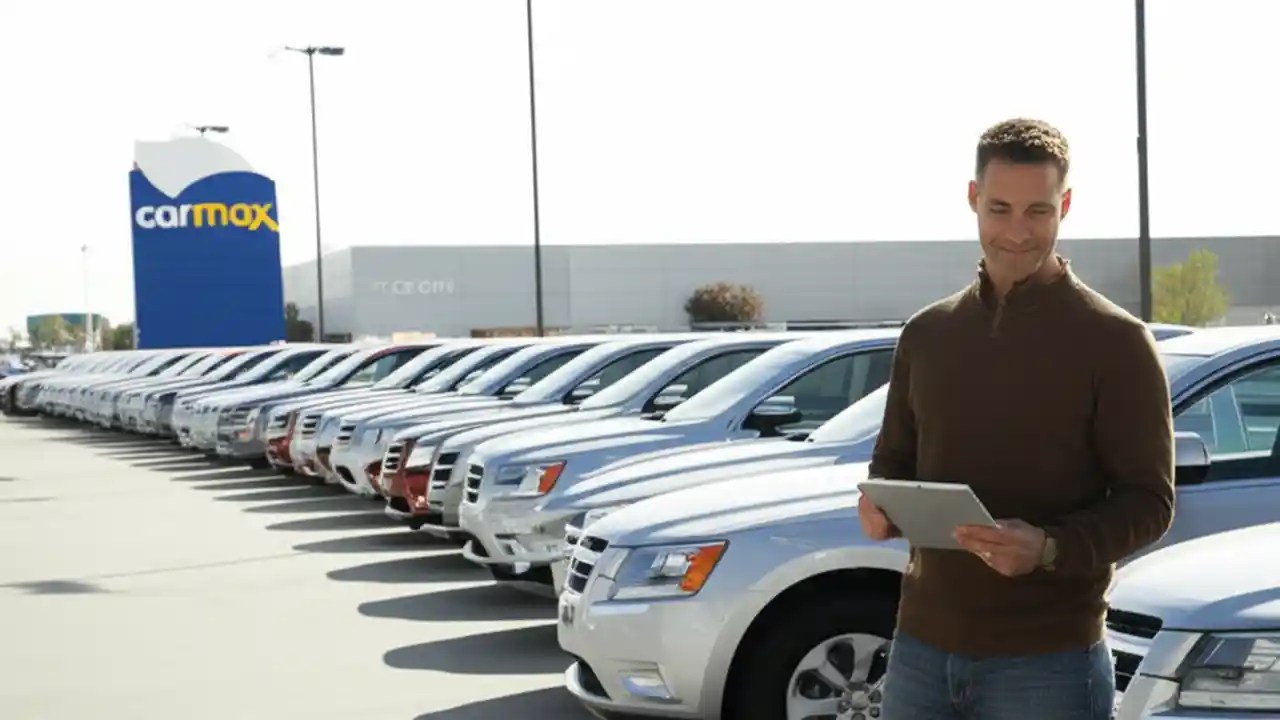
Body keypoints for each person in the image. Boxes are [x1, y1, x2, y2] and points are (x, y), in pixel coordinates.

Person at [860, 117, 1176, 719]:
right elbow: (893, 463)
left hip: (1047, 663)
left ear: (1066, 205)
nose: (1016, 232)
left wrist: (1050, 547)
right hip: (920, 653)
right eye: (1000, 208)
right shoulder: (927, 334)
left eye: (1038, 211)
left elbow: (1150, 503)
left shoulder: (1116, 341)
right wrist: (880, 510)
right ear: (973, 198)